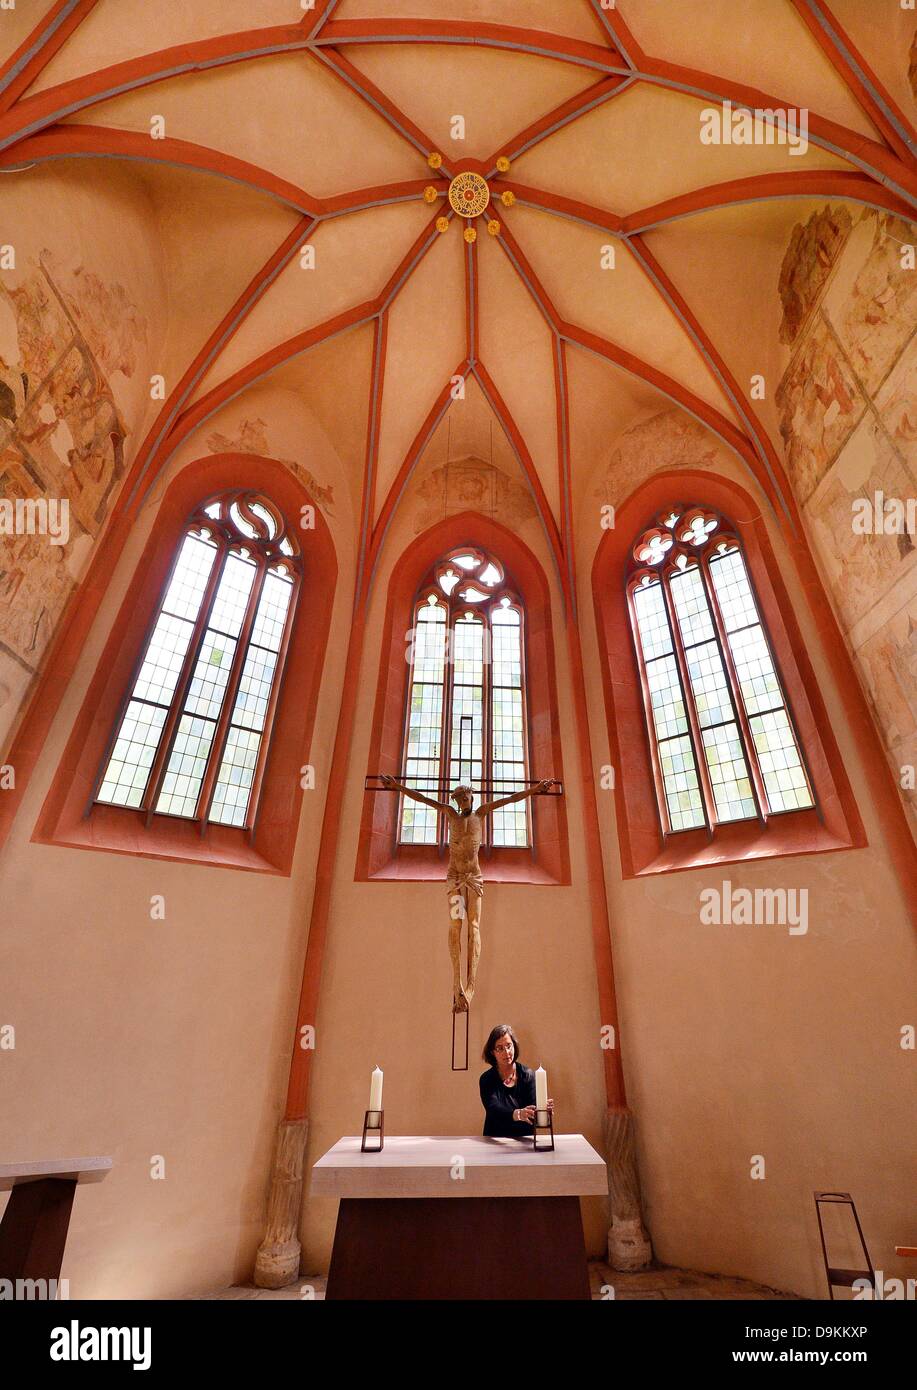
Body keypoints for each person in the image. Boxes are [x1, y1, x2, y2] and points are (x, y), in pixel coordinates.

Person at [380, 775, 556, 1012]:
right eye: (459, 798)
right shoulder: (450, 813)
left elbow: (510, 799)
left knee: (473, 926)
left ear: (472, 797)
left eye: (466, 797)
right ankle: (457, 982)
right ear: (455, 800)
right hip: (455, 877)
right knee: (455, 924)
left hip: (473, 877)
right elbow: (422, 799)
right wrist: (397, 786)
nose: (463, 801)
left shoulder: (481, 813)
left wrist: (535, 789)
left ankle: (471, 986)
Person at [478, 1023, 553, 1140]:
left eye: (509, 1046)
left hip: (524, 1140)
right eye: (500, 1048)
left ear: (514, 1046)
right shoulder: (486, 1079)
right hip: (495, 1140)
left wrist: (542, 1110)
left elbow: (533, 1114)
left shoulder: (528, 1075)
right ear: (492, 1052)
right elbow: (494, 1110)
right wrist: (518, 1114)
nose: (506, 1052)